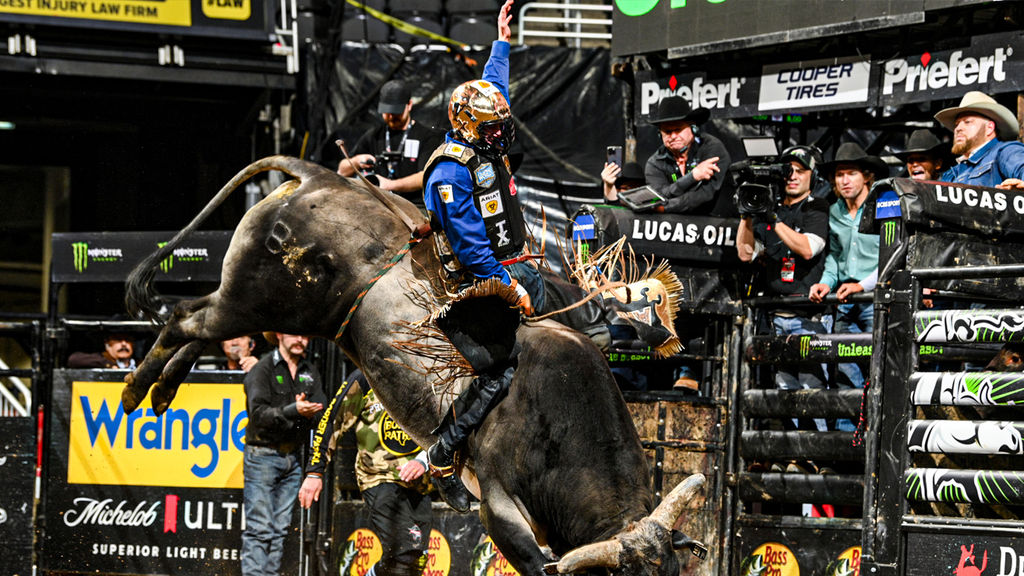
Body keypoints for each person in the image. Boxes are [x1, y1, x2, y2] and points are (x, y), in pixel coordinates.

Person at [421, 0, 530, 512]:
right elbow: (470, 248)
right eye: (492, 129)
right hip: (473, 284)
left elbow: (493, 88)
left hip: (511, 263)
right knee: (503, 368)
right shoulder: (450, 173)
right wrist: (510, 287)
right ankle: (443, 452)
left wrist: (501, 41)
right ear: (466, 126)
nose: (500, 135)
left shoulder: (482, 133)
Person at [299, 370, 432, 576]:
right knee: (405, 552)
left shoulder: (428, 373)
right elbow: (332, 418)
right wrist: (315, 472)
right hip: (379, 476)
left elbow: (448, 426)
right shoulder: (367, 375)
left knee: (416, 559)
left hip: (420, 481)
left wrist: (427, 460)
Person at [737, 145, 831, 432]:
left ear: (813, 176)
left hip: (809, 317)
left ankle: (819, 451)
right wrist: (747, 213)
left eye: (800, 171)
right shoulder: (770, 209)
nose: (792, 176)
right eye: (788, 171)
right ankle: (793, 451)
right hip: (776, 316)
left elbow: (807, 248)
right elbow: (745, 253)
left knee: (812, 390)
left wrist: (773, 219)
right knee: (785, 391)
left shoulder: (817, 206)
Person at [241, 333, 326, 576]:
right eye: (294, 334)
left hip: (293, 458)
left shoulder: (309, 370)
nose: (301, 339)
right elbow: (258, 414)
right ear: (279, 335)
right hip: (263, 454)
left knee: (279, 530)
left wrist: (306, 411)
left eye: (305, 336)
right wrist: (293, 410)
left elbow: (323, 409)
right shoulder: (263, 368)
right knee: (260, 528)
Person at [809, 143, 886, 398]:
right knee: (845, 373)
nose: (845, 180)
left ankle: (874, 425)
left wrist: (862, 285)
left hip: (874, 299)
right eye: (839, 175)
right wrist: (826, 283)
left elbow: (890, 256)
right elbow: (835, 256)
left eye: (851, 173)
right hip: (845, 302)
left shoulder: (883, 207)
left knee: (879, 369)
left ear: (866, 177)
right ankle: (847, 425)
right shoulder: (834, 211)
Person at [338, 79, 444, 204]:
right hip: (379, 204)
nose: (391, 117)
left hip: (414, 205)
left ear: (409, 105)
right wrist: (356, 161)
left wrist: (390, 185)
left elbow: (425, 176)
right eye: (387, 112)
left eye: (396, 112)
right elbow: (341, 171)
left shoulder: (426, 136)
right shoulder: (374, 136)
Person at [643, 95, 731, 215]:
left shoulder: (712, 148)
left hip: (719, 221)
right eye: (668, 132)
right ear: (660, 134)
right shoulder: (655, 163)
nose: (673, 136)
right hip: (673, 224)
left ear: (693, 129)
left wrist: (666, 207)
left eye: (678, 129)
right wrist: (692, 177)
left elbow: (704, 195)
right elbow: (659, 196)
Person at [935, 91, 1024, 189]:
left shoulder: (1005, 151)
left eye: (967, 122)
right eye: (957, 124)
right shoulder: (951, 174)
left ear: (989, 128)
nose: (958, 128)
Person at [67, 331, 137, 369]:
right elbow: (73, 360)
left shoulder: (139, 364)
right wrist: (109, 365)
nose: (124, 344)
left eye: (128, 340)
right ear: (107, 344)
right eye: (118, 339)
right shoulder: (100, 359)